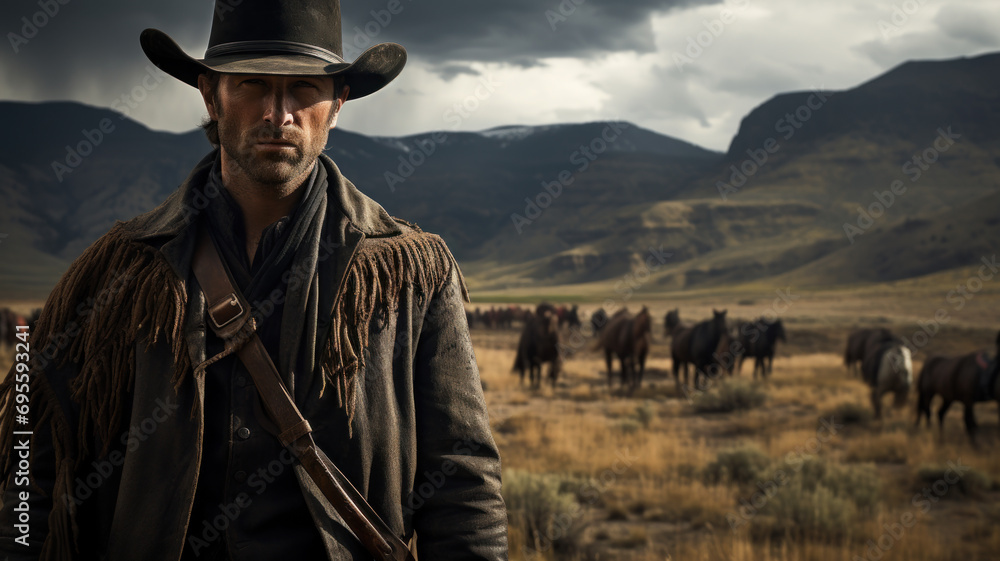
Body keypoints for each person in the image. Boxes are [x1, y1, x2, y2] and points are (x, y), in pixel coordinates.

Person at [0, 1, 509, 559]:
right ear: (210, 94)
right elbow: (32, 471)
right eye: (252, 83)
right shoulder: (116, 272)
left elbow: (461, 483)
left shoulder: (409, 272)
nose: (278, 113)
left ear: (338, 102)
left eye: (303, 88)